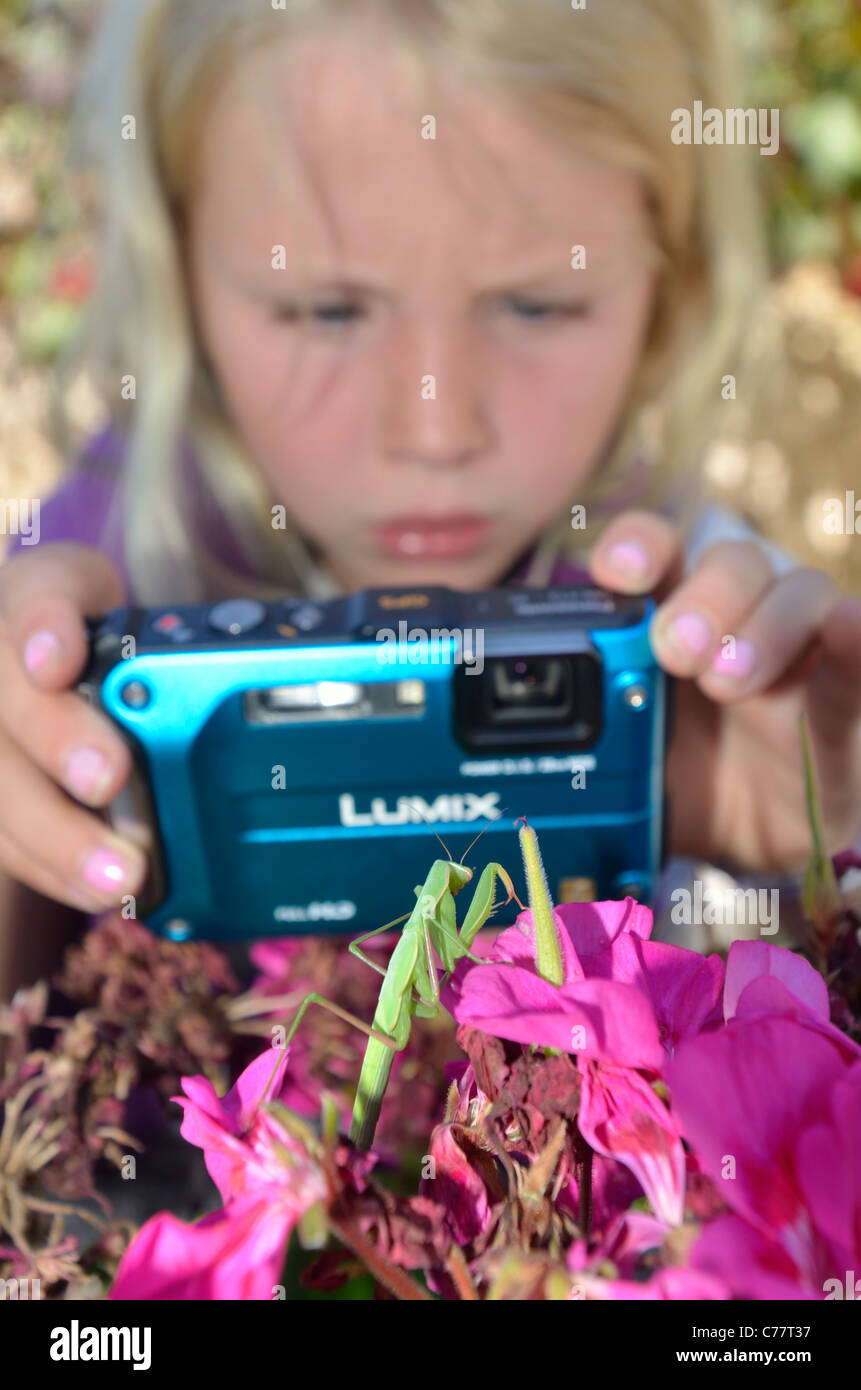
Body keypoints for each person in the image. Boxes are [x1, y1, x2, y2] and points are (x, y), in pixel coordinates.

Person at [1, 0, 860, 998]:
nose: (437, 430)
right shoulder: (93, 574)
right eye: (325, 308)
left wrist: (820, 848)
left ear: (670, 288)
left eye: (538, 304)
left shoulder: (708, 633)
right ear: (178, 275)